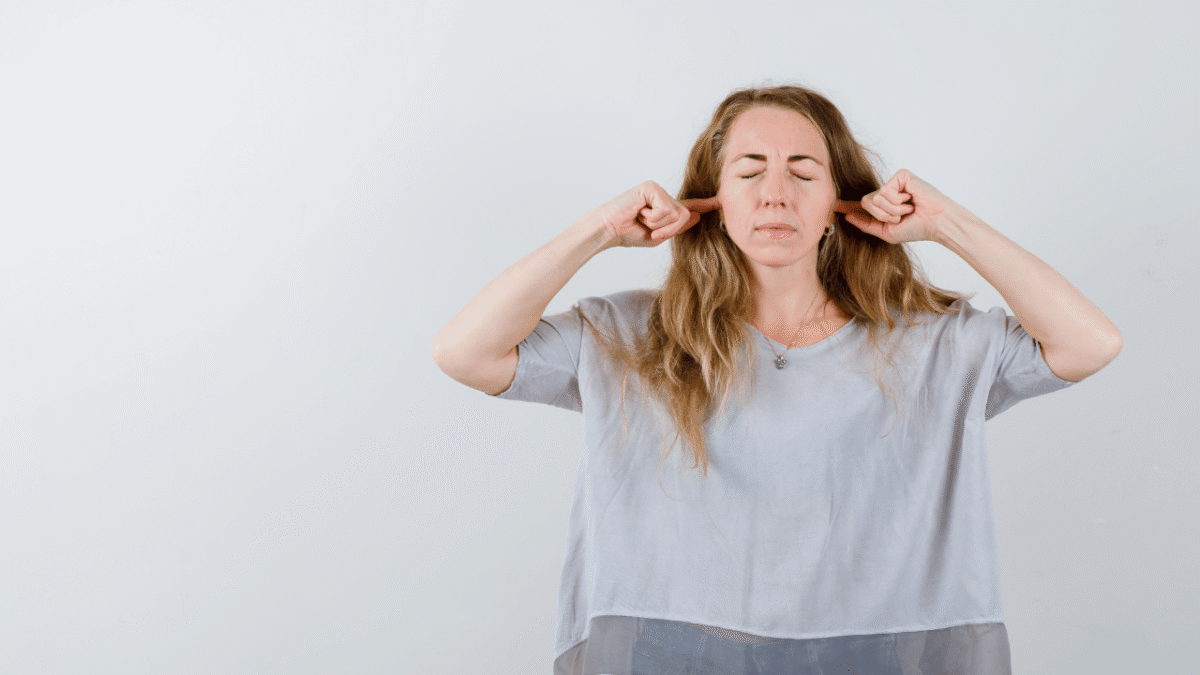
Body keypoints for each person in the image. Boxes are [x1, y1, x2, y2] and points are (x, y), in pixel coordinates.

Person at [430, 85, 1121, 675]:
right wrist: (598, 230)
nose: (775, 193)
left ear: (838, 204)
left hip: (873, 653)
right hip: (671, 651)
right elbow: (465, 352)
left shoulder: (930, 341)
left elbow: (1090, 342)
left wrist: (948, 225)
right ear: (713, 201)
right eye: (750, 170)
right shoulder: (633, 333)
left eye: (803, 171)